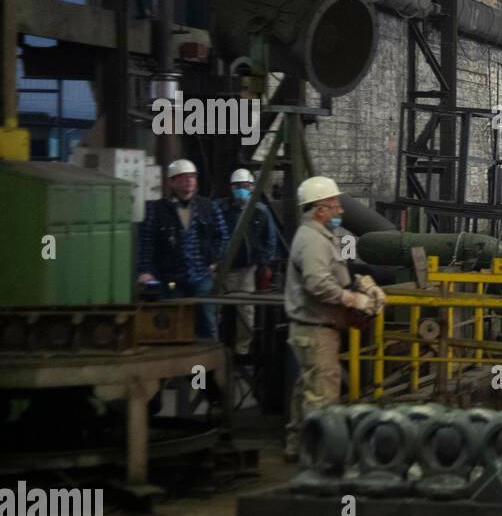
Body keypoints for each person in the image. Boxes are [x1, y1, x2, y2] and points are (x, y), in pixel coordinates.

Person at [284, 176, 386, 462]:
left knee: (306, 389)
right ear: (319, 210)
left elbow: (332, 276)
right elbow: (317, 284)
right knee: (322, 399)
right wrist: (353, 299)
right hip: (316, 330)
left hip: (312, 328)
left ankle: (296, 446)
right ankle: (318, 461)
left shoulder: (318, 237)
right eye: (334, 205)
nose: (340, 210)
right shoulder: (313, 240)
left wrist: (360, 282)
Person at [137, 159, 228, 340]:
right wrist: (145, 271)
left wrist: (214, 260)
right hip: (170, 278)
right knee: (171, 325)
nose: (188, 181)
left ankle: (206, 365)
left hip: (201, 276)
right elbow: (146, 242)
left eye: (192, 177)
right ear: (172, 182)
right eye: (183, 177)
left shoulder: (208, 207)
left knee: (207, 325)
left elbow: (223, 237)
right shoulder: (156, 210)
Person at [218, 168, 277, 357]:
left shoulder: (260, 212)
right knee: (216, 311)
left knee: (245, 313)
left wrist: (263, 262)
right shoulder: (221, 209)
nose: (241, 189)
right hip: (221, 271)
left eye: (245, 186)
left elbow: (271, 239)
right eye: (237, 186)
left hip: (246, 271)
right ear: (231, 187)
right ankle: (216, 349)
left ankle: (242, 350)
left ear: (252, 187)